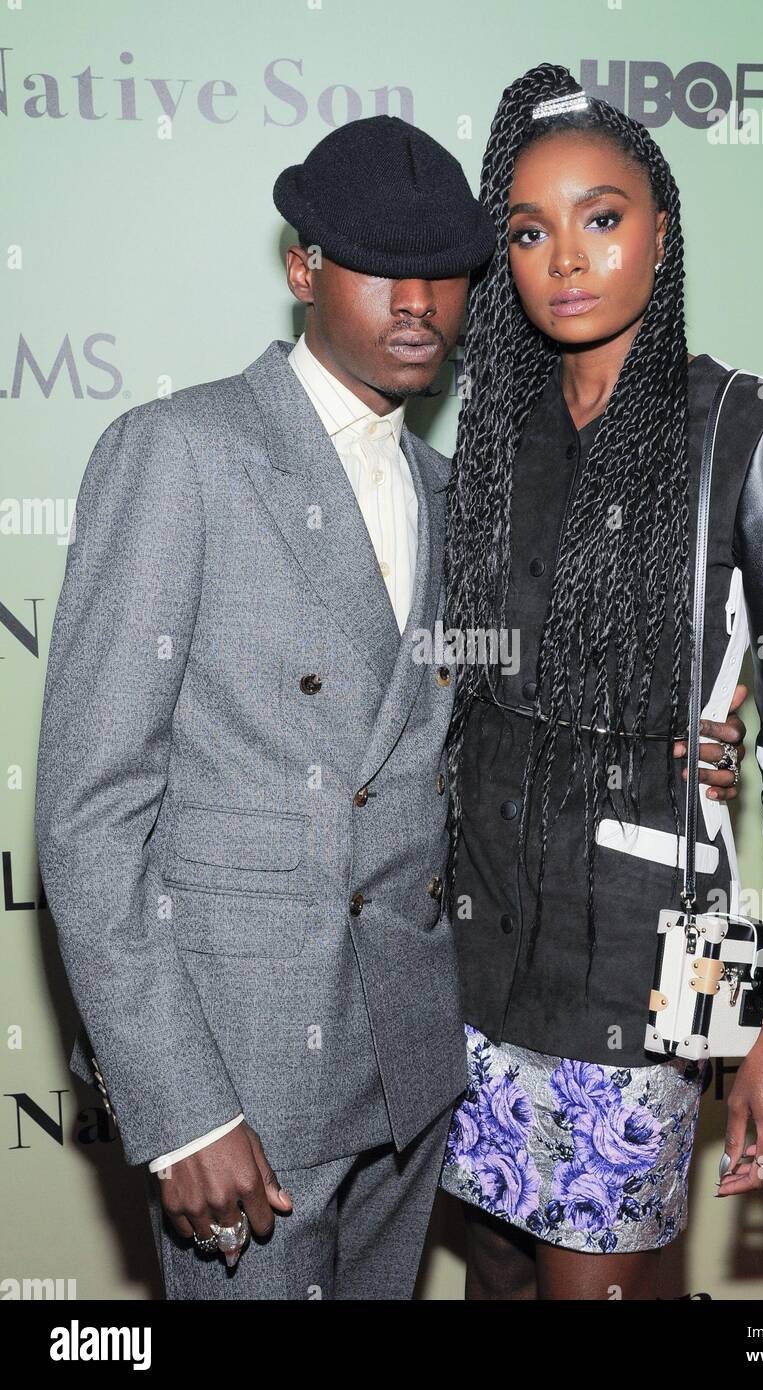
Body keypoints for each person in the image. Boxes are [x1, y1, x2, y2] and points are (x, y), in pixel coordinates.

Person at [33, 114, 494, 1301]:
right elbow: (91, 812)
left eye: (444, 271)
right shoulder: (179, 452)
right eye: (382, 266)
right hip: (243, 1078)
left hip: (404, 1066)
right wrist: (181, 1108)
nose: (419, 301)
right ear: (303, 269)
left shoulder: (448, 495)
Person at [438, 65, 763, 1301]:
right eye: (528, 230)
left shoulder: (754, 433)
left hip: (642, 956)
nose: (565, 257)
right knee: (500, 1287)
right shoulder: (494, 440)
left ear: (662, 229)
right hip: (474, 949)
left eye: (602, 216)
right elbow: (472, 664)